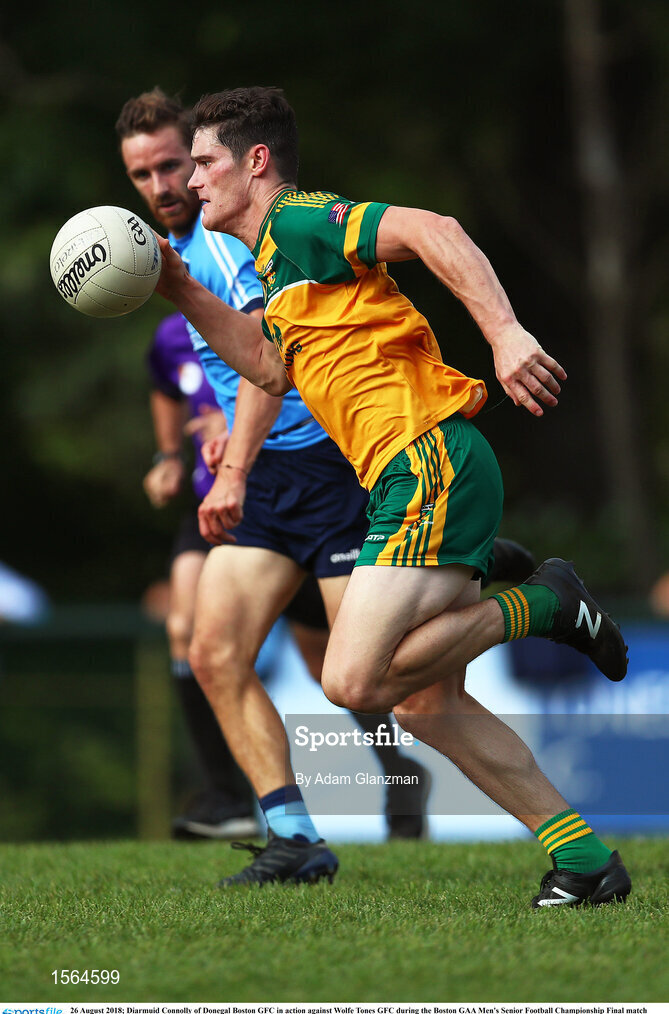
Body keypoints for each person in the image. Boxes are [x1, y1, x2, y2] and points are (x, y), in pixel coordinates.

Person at [154, 85, 631, 908]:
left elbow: (430, 229)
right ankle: (583, 860)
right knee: (423, 705)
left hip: (428, 462)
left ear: (255, 162)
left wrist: (504, 332)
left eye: (203, 163)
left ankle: (543, 604)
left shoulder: (301, 218)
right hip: (407, 479)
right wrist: (179, 289)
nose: (191, 182)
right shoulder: (279, 263)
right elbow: (270, 367)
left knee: (352, 682)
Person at [117, 89, 443, 858]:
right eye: (147, 174)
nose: (172, 185)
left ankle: (515, 597)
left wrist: (230, 464)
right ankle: (289, 834)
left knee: (378, 676)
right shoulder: (186, 255)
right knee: (210, 649)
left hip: (321, 466)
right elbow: (217, 377)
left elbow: (275, 363)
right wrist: (206, 441)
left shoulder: (231, 240)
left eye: (183, 164)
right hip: (262, 479)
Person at [144, 312, 259, 839]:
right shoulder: (170, 334)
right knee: (182, 631)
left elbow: (295, 384)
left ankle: (401, 775)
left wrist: (235, 428)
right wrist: (169, 456)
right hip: (210, 503)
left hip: (278, 497)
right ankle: (226, 797)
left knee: (330, 659)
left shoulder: (256, 303)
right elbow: (164, 386)